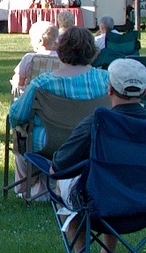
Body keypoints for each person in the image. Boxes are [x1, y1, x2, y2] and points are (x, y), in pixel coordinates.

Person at [51, 58, 146, 253]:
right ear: (145, 90)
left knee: (68, 182)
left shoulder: (97, 123)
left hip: (103, 205)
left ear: (109, 89)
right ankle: (107, 252)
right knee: (112, 179)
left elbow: (59, 166)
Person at [8, 27, 109, 163]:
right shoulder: (108, 80)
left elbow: (17, 115)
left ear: (60, 50)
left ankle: (30, 184)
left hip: (49, 145)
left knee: (22, 150)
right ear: (92, 51)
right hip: (94, 143)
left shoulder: (42, 83)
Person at [11, 21, 59, 97]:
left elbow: (20, 83)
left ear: (41, 41)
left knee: (15, 78)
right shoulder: (62, 59)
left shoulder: (30, 58)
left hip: (32, 100)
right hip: (55, 99)